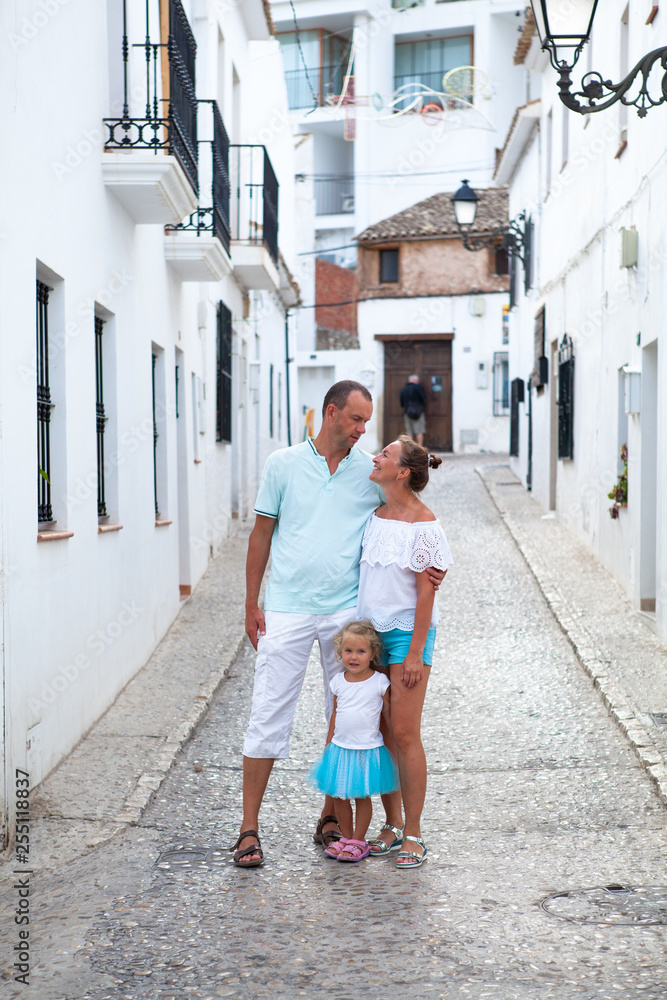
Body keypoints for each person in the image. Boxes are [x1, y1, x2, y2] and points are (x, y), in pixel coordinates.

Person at [232, 380, 446, 868]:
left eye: (367, 422)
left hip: (348, 617)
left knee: (350, 718)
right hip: (285, 608)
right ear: (330, 413)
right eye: (355, 419)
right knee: (267, 714)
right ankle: (248, 829)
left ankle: (332, 818)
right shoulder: (281, 464)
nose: (362, 430)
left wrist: (434, 564)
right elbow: (260, 535)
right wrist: (252, 603)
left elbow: (407, 512)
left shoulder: (368, 470)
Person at [356, 435, 453, 869]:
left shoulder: (425, 524)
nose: (375, 458)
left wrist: (414, 654)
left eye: (385, 455)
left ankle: (414, 833)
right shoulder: (374, 514)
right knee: (381, 732)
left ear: (402, 472)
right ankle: (391, 824)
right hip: (371, 637)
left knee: (406, 730)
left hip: (407, 638)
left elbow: (425, 595)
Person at [307, 620, 399, 862]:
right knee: (339, 796)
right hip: (341, 747)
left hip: (366, 748)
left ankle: (359, 839)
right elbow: (335, 715)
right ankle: (346, 838)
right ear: (340, 652)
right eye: (348, 651)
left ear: (372, 654)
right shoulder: (338, 681)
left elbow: (388, 717)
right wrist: (329, 745)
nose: (354, 657)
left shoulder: (379, 682)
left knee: (361, 795)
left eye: (361, 651)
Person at [400, 375, 427, 446]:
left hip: (407, 412)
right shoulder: (418, 387)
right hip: (418, 412)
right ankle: (420, 447)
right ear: (416, 381)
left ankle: (411, 449)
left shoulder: (404, 389)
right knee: (419, 431)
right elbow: (423, 398)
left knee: (409, 432)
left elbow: (402, 403)